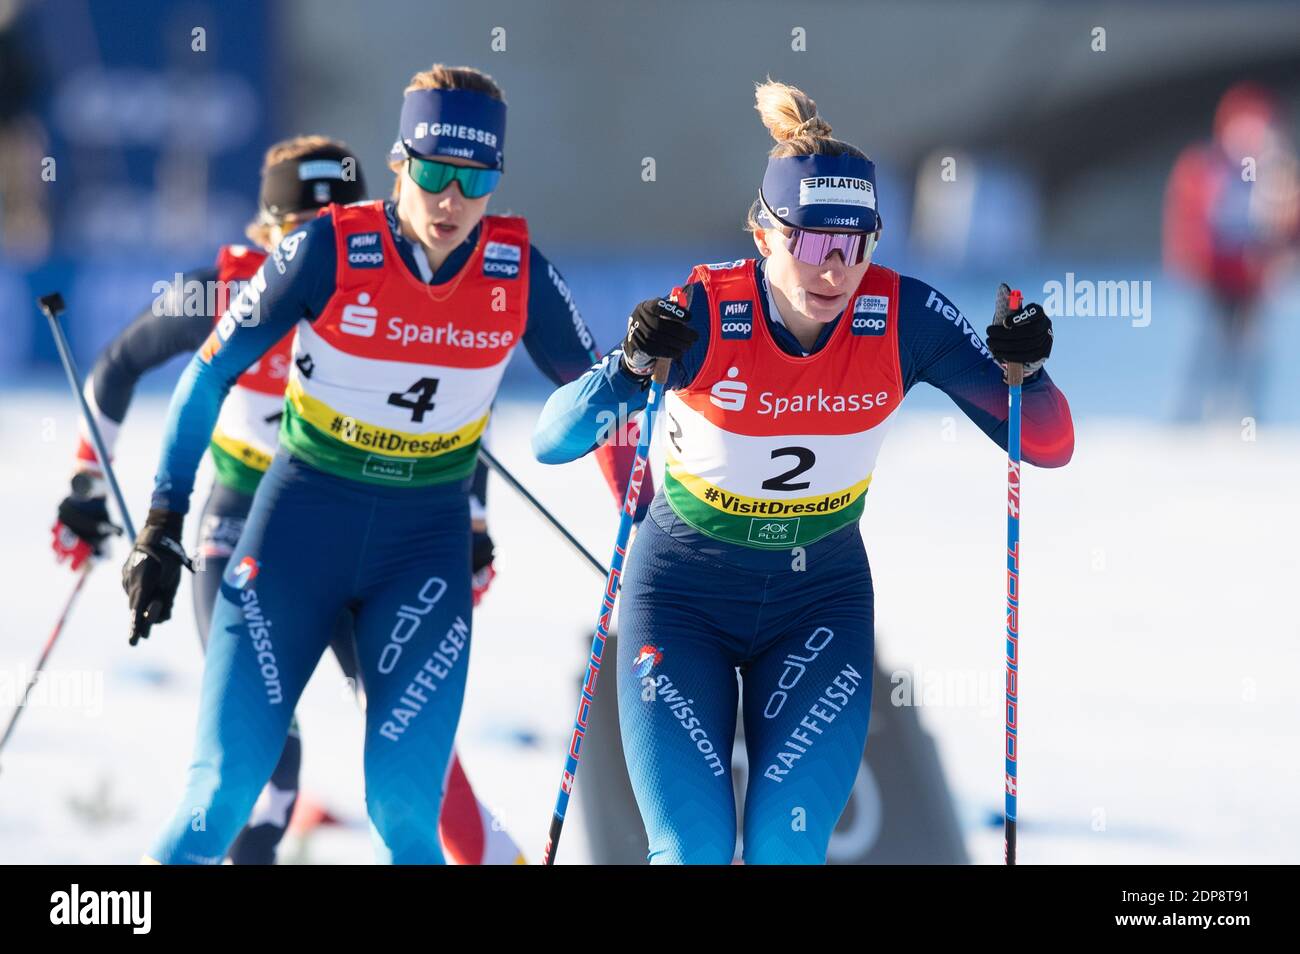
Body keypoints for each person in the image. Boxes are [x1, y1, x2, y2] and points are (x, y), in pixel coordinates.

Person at [532, 80, 1074, 864]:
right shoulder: (708, 313)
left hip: (818, 605)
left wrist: (1031, 371)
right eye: (815, 243)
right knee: (692, 851)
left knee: (788, 851)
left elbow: (1046, 442)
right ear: (763, 234)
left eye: (859, 244)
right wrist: (627, 365)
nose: (837, 269)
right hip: (681, 600)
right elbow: (554, 439)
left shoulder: (903, 317)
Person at [120, 64, 646, 864]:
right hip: (297, 533)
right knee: (223, 794)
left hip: (420, 557)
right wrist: (161, 521)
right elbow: (206, 375)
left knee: (407, 809)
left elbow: (598, 401)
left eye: (475, 180)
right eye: (434, 172)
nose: (451, 200)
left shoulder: (518, 271)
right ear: (399, 163)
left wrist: (631, 511)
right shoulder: (330, 247)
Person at [54, 135, 525, 864]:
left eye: (335, 230)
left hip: (379, 533)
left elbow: (467, 410)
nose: (316, 255)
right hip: (249, 529)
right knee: (264, 770)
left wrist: (474, 520)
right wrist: (89, 485)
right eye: (297, 233)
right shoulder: (224, 288)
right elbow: (118, 364)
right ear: (266, 231)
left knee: (426, 776)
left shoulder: (390, 284)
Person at [1164, 83, 1300, 422]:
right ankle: (1190, 417)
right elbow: (1188, 218)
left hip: (1254, 279)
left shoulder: (1277, 174)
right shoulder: (1203, 169)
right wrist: (1189, 260)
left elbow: (1290, 223)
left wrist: (1282, 255)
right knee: (1208, 347)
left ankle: (1246, 417)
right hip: (1215, 276)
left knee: (1253, 350)